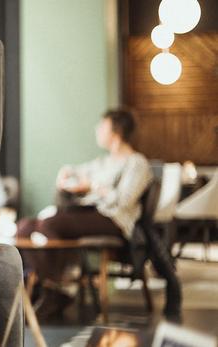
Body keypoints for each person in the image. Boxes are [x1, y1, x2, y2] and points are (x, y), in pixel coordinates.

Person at [17, 109, 181, 321]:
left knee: (49, 224)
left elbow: (124, 200)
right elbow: (77, 170)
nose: (97, 129)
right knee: (24, 226)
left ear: (116, 131)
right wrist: (66, 173)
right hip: (90, 213)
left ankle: (55, 290)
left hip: (114, 220)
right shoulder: (104, 162)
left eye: (102, 126)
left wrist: (93, 186)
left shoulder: (136, 162)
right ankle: (44, 287)